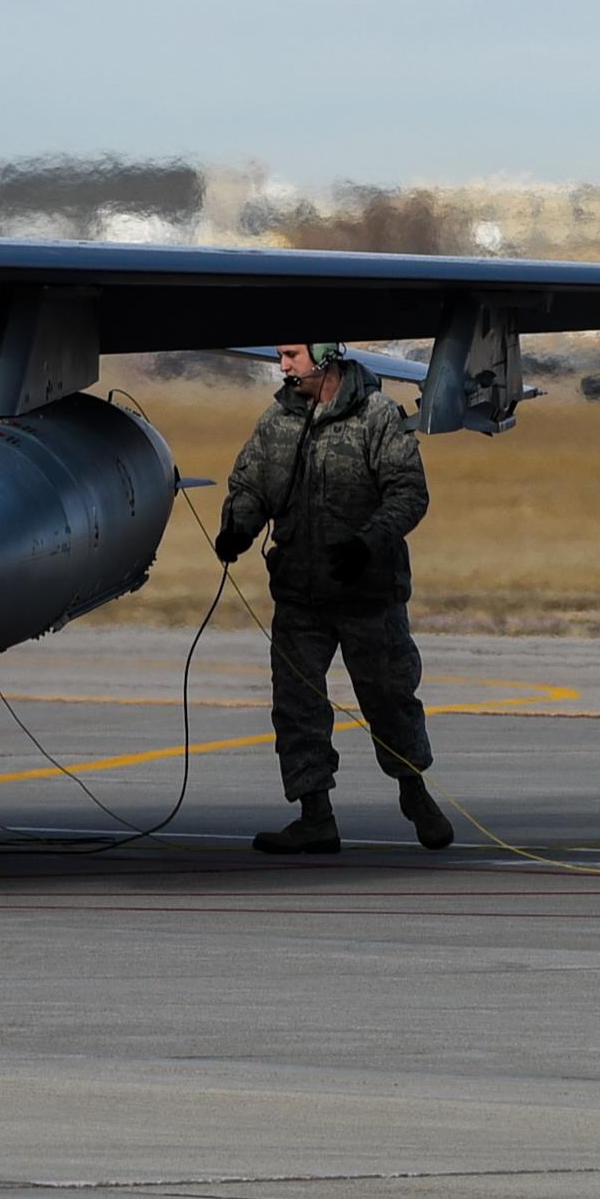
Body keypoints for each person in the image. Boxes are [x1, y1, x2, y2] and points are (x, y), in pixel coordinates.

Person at [218, 341, 445, 855]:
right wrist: (238, 527)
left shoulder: (378, 417)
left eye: (292, 355)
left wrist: (369, 543)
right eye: (281, 356)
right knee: (296, 706)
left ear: (324, 354)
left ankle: (415, 793)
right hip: (301, 597)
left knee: (389, 698)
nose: (283, 366)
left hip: (369, 595)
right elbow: (251, 484)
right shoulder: (277, 422)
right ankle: (314, 815)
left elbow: (410, 492)